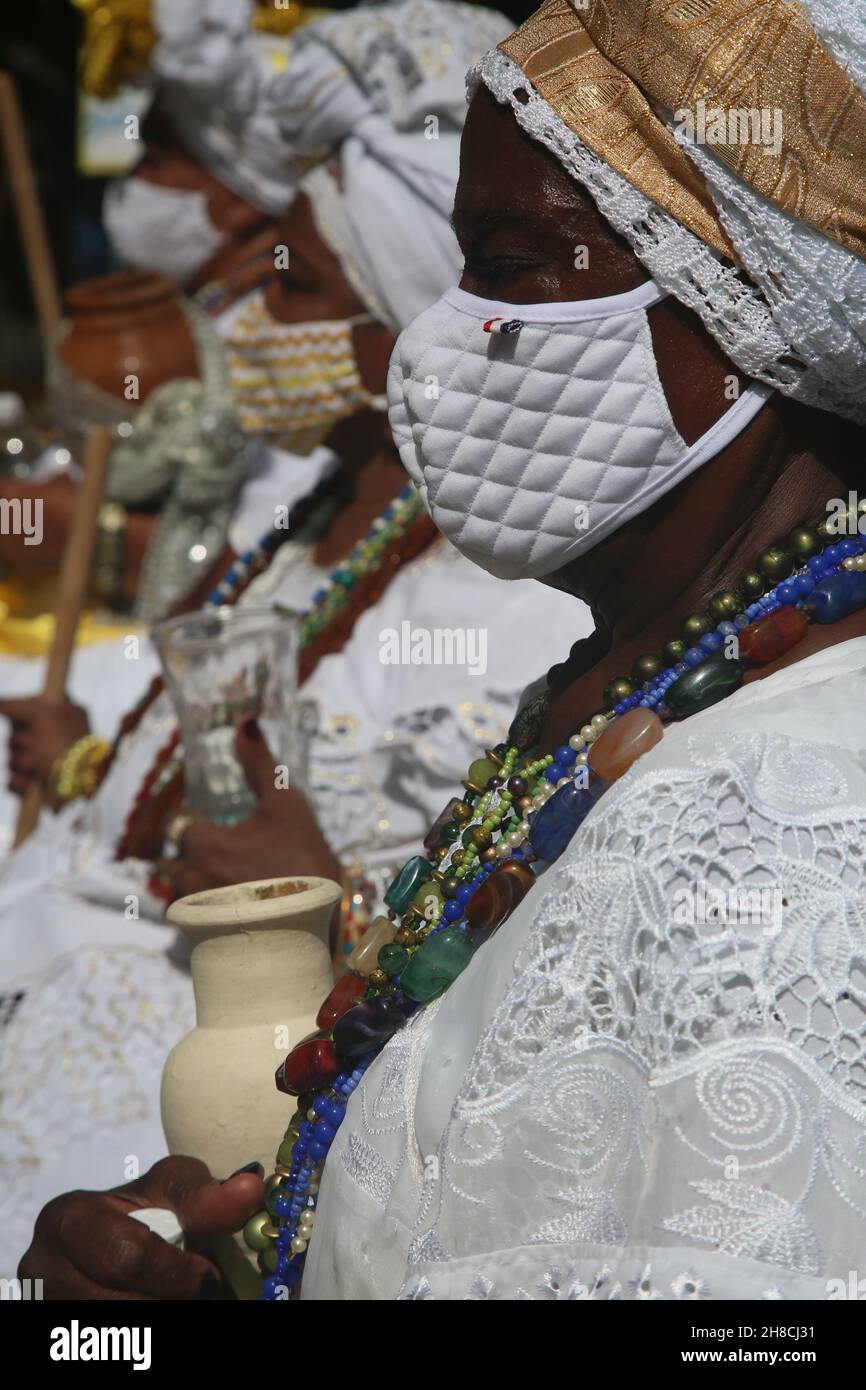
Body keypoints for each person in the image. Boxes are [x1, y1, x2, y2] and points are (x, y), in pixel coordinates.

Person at [20, 0, 866, 1302]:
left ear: (747, 296)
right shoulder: (623, 695)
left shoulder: (764, 834)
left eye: (515, 263)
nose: (436, 335)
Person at [0, 0, 588, 1278]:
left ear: (405, 318)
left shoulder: (516, 614)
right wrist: (93, 768)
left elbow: (506, 975)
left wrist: (327, 887)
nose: (253, 322)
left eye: (298, 287)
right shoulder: (302, 522)